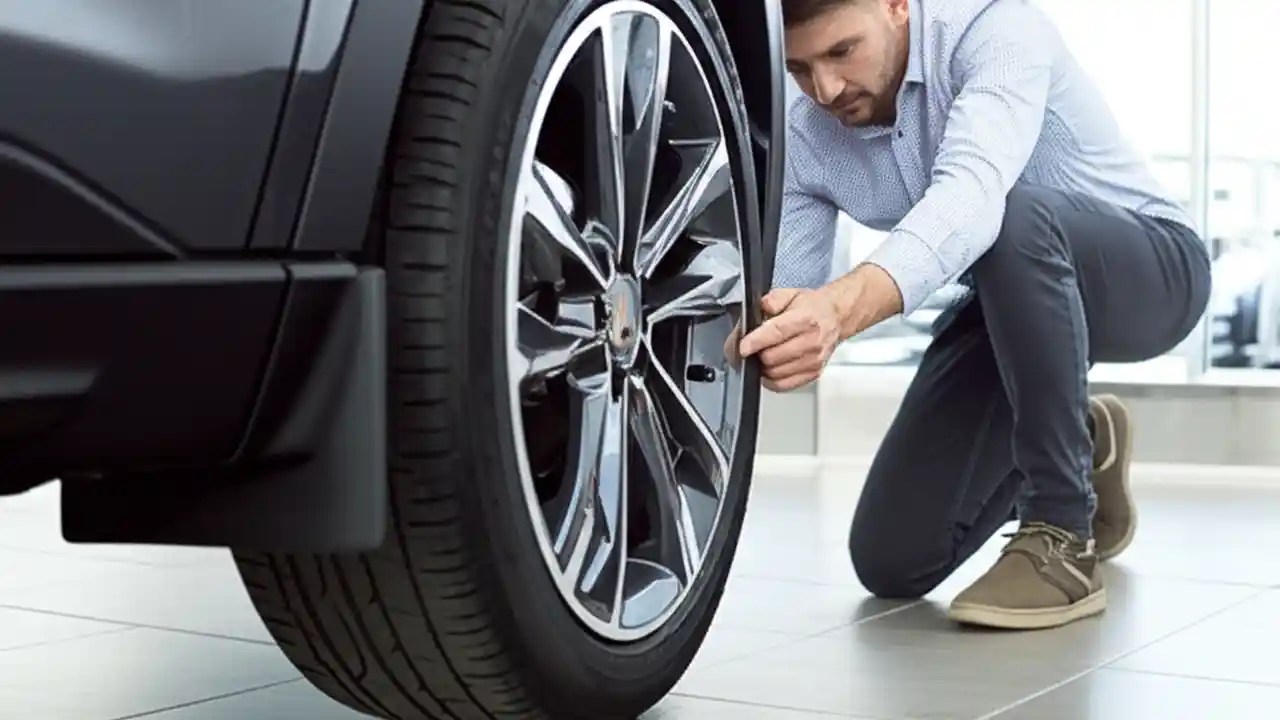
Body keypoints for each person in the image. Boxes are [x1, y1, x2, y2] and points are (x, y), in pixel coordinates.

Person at [735, 0, 1212, 630]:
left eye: (842, 52)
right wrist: (780, 333)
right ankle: (1081, 437)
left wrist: (840, 312)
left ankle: (1063, 534)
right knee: (891, 561)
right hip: (1007, 306)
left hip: (1152, 272)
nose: (824, 89)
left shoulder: (996, 28)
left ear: (896, 6)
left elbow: (973, 196)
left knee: (1009, 217)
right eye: (799, 68)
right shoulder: (804, 128)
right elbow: (789, 291)